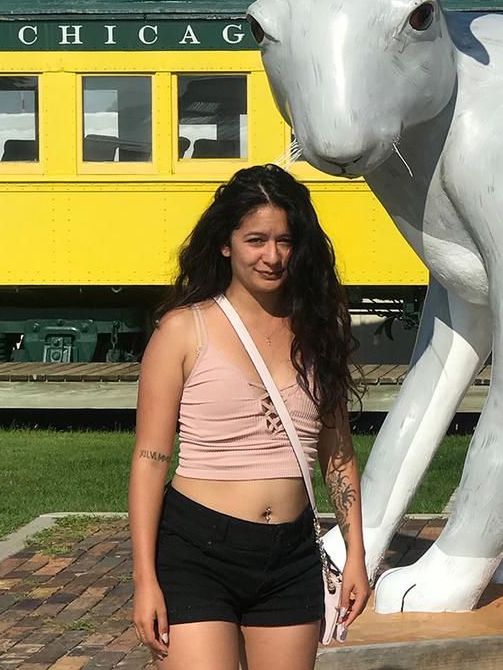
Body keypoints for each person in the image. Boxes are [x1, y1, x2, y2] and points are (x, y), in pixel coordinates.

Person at [129, 164, 369, 668]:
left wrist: (356, 556)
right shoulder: (182, 330)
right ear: (226, 244)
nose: (273, 256)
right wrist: (144, 579)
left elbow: (339, 454)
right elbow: (151, 460)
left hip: (290, 555)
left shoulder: (317, 331)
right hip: (198, 550)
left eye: (284, 241)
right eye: (256, 240)